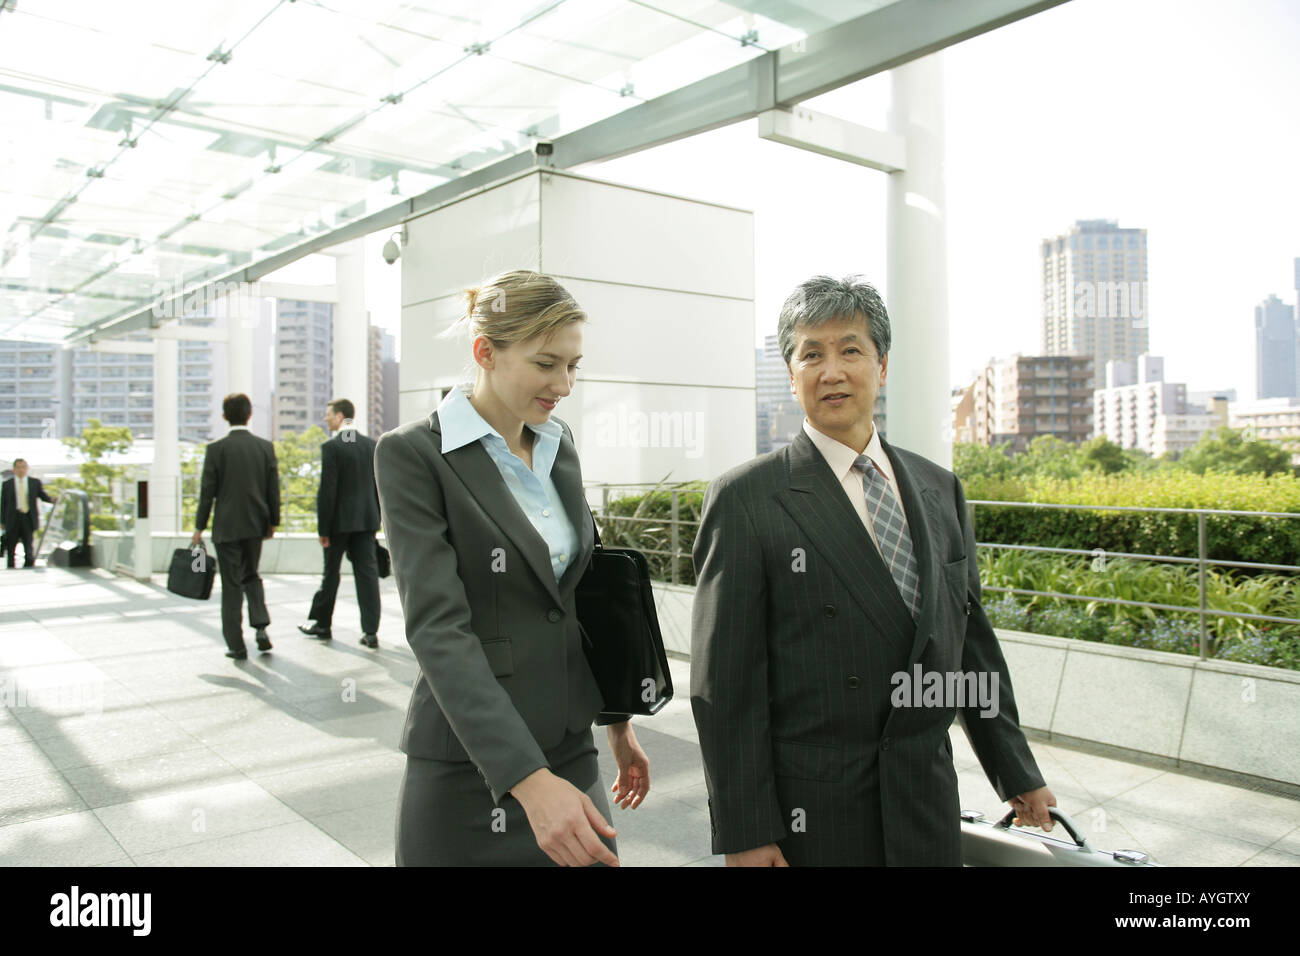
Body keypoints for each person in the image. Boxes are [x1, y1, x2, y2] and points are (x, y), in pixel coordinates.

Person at [690, 274, 1056, 866]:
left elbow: (970, 646)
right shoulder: (746, 499)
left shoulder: (939, 488)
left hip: (925, 802)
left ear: (882, 365)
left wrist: (1016, 770)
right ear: (791, 374)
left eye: (850, 350)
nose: (831, 371)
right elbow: (725, 687)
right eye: (811, 354)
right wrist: (746, 832)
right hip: (812, 816)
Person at [374, 269, 650, 866]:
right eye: (547, 363)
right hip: (467, 763)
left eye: (574, 365)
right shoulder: (413, 455)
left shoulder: (560, 443)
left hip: (570, 749)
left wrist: (618, 719)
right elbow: (437, 629)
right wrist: (527, 779)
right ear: (485, 353)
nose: (564, 383)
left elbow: (581, 594)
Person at [191, 394, 281, 661]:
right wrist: (273, 522)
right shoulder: (264, 447)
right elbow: (272, 490)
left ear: (224, 416)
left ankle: (236, 645)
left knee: (231, 585)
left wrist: (199, 527)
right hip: (255, 525)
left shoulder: (216, 449)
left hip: (226, 528)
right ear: (250, 414)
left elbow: (207, 493)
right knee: (251, 576)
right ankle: (261, 628)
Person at [298, 398, 382, 648]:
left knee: (331, 575)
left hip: (338, 525)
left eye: (328, 415)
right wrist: (376, 519)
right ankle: (370, 633)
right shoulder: (371, 446)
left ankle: (323, 625)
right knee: (367, 577)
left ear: (340, 416)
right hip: (366, 523)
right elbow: (379, 487)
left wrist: (323, 529)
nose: (325, 419)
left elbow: (328, 492)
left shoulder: (332, 448)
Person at [1, 458, 58, 569]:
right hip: (12, 519)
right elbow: (3, 504)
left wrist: (54, 500)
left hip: (28, 518)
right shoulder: (7, 484)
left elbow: (43, 496)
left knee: (28, 545)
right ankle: (11, 568)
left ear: (27, 468)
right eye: (18, 467)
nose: (21, 470)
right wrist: (2, 521)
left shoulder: (34, 482)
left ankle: (28, 567)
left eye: (23, 467)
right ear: (14, 470)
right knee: (11, 546)